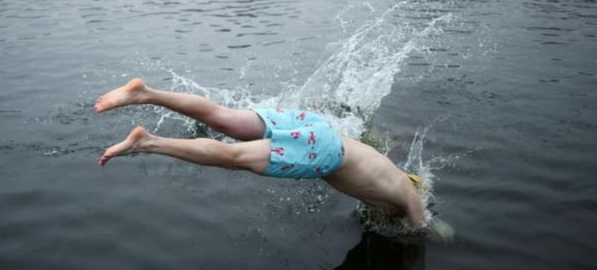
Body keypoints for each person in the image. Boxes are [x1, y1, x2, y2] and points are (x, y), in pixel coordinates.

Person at [96, 78, 425, 228]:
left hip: (319, 128)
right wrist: (434, 229)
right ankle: (147, 142)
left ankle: (144, 93)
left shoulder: (389, 176)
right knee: (233, 157)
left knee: (224, 118)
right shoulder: (407, 194)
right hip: (324, 152)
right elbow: (421, 224)